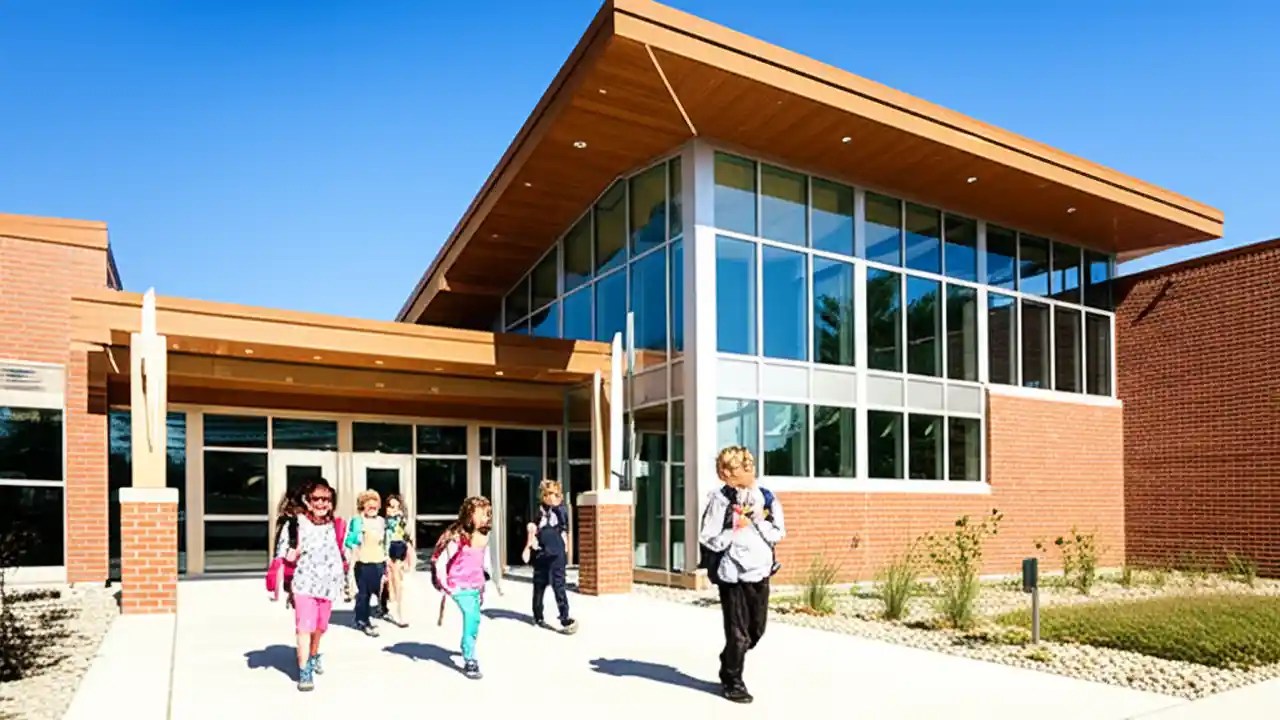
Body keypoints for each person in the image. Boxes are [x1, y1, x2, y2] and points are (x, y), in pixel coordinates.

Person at [698, 446, 785, 705]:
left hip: (760, 571)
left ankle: (730, 659)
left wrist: (758, 520)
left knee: (756, 631)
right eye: (725, 469)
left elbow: (779, 533)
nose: (727, 473)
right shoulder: (720, 500)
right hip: (732, 574)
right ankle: (733, 680)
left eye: (735, 468)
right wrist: (734, 529)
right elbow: (708, 537)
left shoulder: (766, 497)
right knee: (738, 634)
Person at [276, 478, 346, 692]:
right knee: (304, 627)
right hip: (304, 584)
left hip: (328, 585)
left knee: (320, 627)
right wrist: (290, 555)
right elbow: (281, 553)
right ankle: (304, 668)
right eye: (317, 498)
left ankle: (314, 654)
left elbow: (341, 551)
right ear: (307, 500)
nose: (322, 503)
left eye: (326, 499)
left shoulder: (335, 524)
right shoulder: (296, 523)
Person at [432, 496, 496, 680]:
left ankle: (467, 646)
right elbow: (442, 561)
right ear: (469, 515)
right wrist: (446, 585)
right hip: (459, 584)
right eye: (482, 514)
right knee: (471, 617)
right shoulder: (458, 537)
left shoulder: (484, 536)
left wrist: (486, 578)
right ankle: (470, 658)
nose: (486, 518)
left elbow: (484, 560)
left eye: (488, 514)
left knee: (475, 621)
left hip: (476, 584)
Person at [522, 480, 577, 634]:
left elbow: (565, 531)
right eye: (547, 494)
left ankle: (565, 616)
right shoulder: (537, 510)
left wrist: (567, 550)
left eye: (554, 494)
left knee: (559, 585)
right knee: (539, 586)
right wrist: (529, 545)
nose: (550, 497)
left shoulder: (561, 511)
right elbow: (531, 529)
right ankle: (538, 615)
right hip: (541, 553)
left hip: (557, 554)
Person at [344, 490, 387, 637]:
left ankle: (377, 612)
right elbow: (349, 540)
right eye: (368, 504)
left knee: (379, 591)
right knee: (364, 593)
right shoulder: (358, 520)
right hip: (363, 561)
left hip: (379, 560)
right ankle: (362, 620)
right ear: (362, 506)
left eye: (374, 504)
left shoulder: (381, 521)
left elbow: (386, 540)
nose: (372, 507)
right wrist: (356, 540)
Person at [381, 493, 413, 627]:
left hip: (398, 548)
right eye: (390, 506)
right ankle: (385, 605)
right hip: (386, 550)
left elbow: (407, 536)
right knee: (387, 581)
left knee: (397, 580)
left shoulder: (402, 521)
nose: (393, 510)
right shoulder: (382, 522)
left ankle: (399, 612)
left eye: (396, 507)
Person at [266, 490, 303, 607]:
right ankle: (288, 595)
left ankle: (286, 595)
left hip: (287, 552)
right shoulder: (291, 522)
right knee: (288, 574)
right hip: (289, 553)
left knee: (286, 575)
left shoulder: (284, 521)